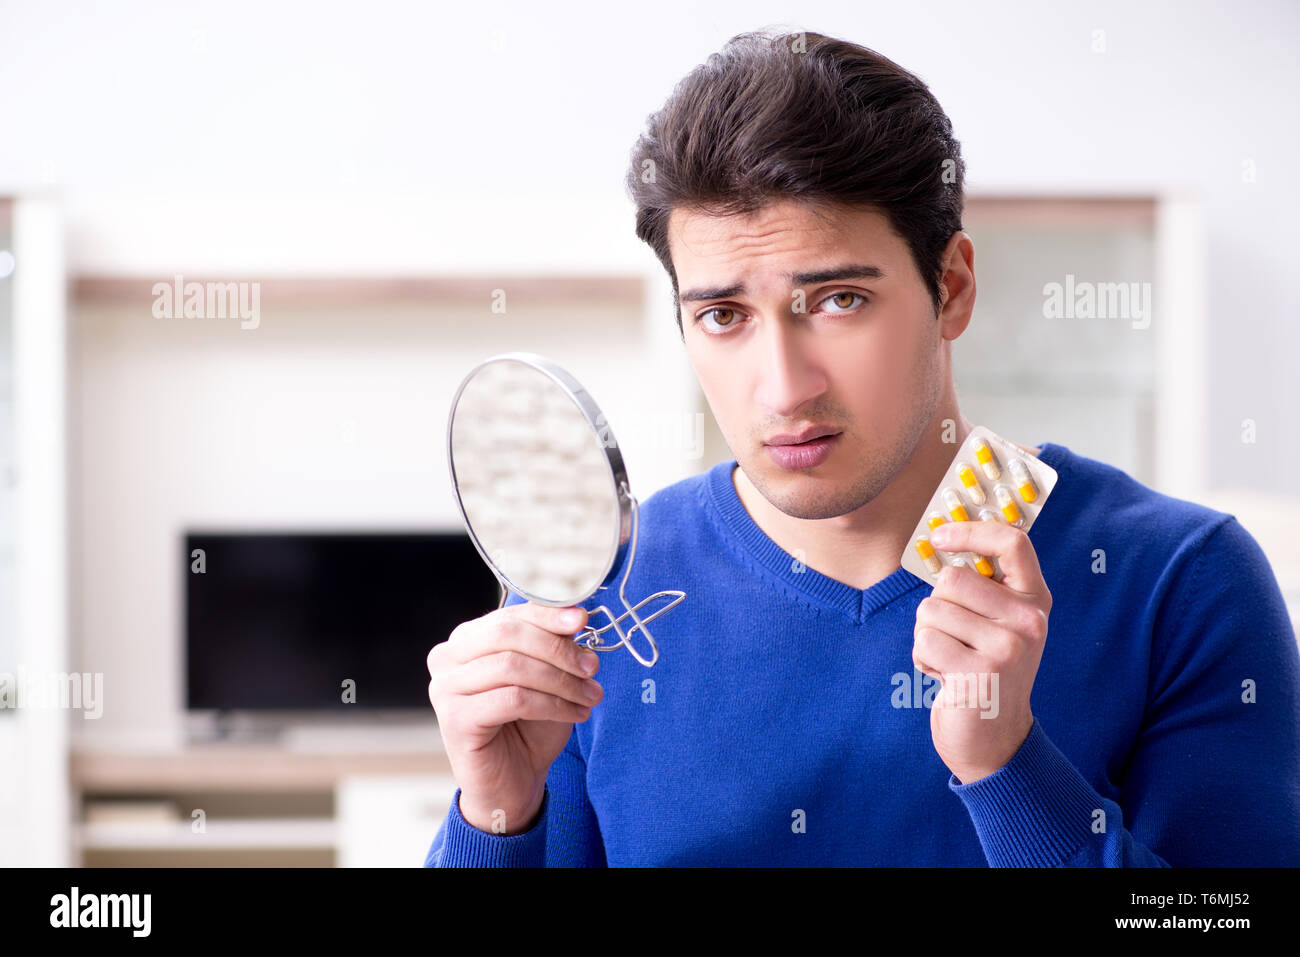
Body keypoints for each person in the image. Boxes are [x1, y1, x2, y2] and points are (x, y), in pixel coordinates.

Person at [423, 29, 1300, 866]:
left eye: (838, 300)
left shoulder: (1183, 578)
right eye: (723, 316)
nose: (784, 386)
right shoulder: (595, 603)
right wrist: (496, 817)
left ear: (951, 287)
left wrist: (1009, 770)